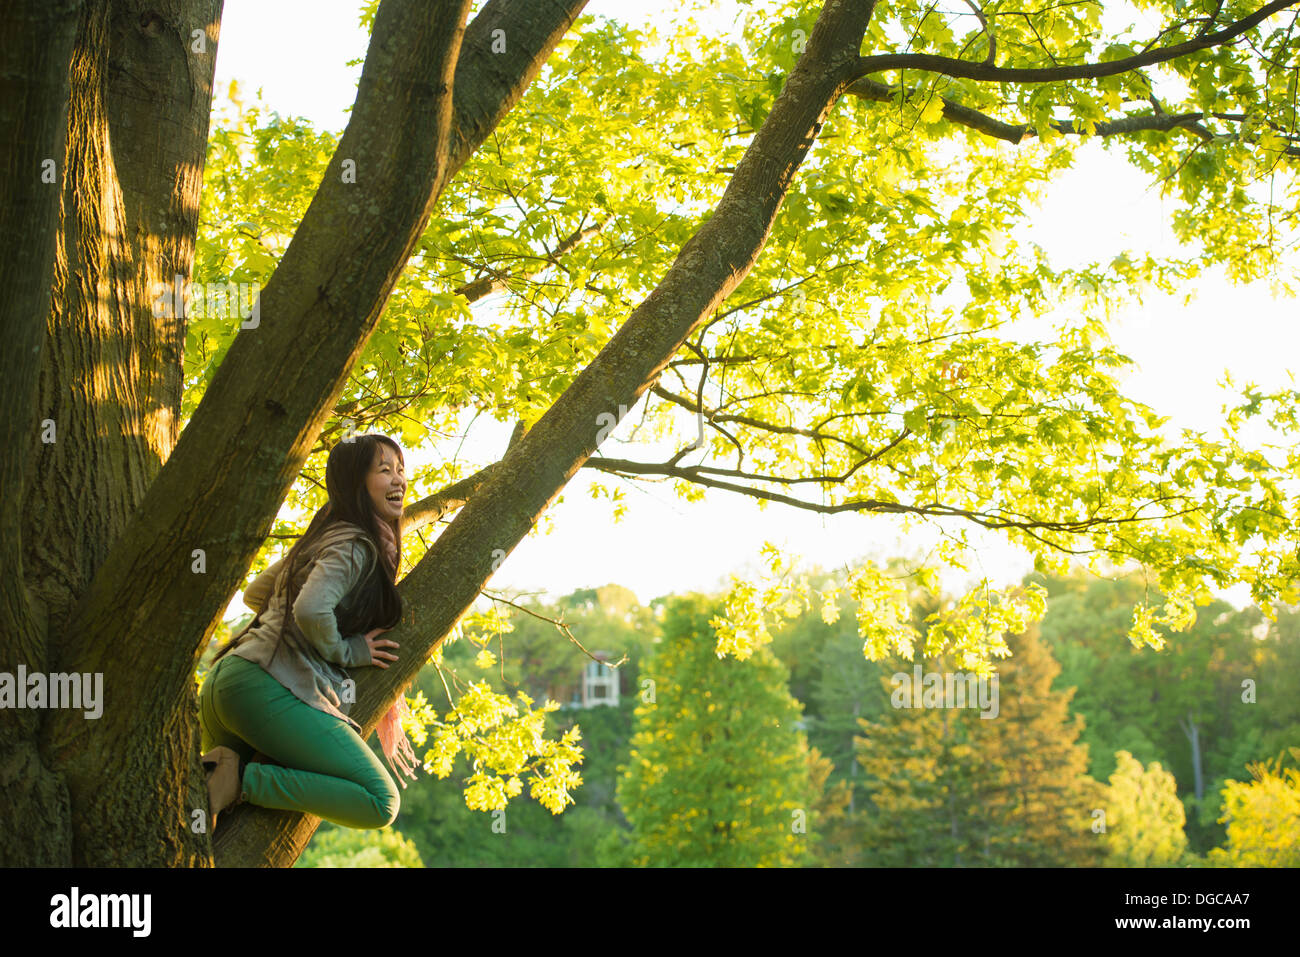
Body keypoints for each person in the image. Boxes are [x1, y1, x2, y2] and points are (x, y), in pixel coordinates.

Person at [198, 433, 418, 831]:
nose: (399, 479)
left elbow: (257, 593)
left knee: (207, 829)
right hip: (265, 687)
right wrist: (347, 651)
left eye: (400, 469)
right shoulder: (355, 545)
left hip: (226, 681)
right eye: (384, 470)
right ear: (356, 483)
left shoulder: (323, 538)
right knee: (380, 801)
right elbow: (310, 608)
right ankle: (244, 779)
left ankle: (230, 777)